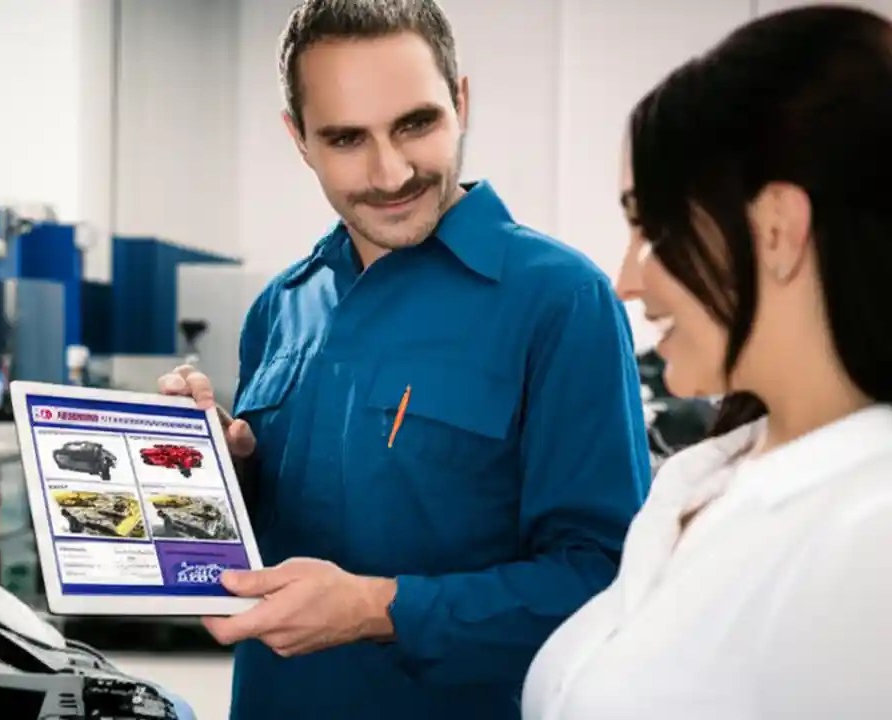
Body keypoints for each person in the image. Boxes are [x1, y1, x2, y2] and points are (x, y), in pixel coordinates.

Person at [157, 1, 651, 717]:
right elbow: (287, 523)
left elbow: (601, 581)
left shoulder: (559, 299)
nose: (390, 173)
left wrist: (376, 608)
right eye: (347, 138)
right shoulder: (281, 304)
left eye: (415, 124)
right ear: (300, 140)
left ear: (461, 101)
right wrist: (219, 468)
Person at [521, 6, 892, 718]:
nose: (628, 280)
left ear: (777, 230)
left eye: (651, 227)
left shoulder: (869, 538)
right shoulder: (710, 472)